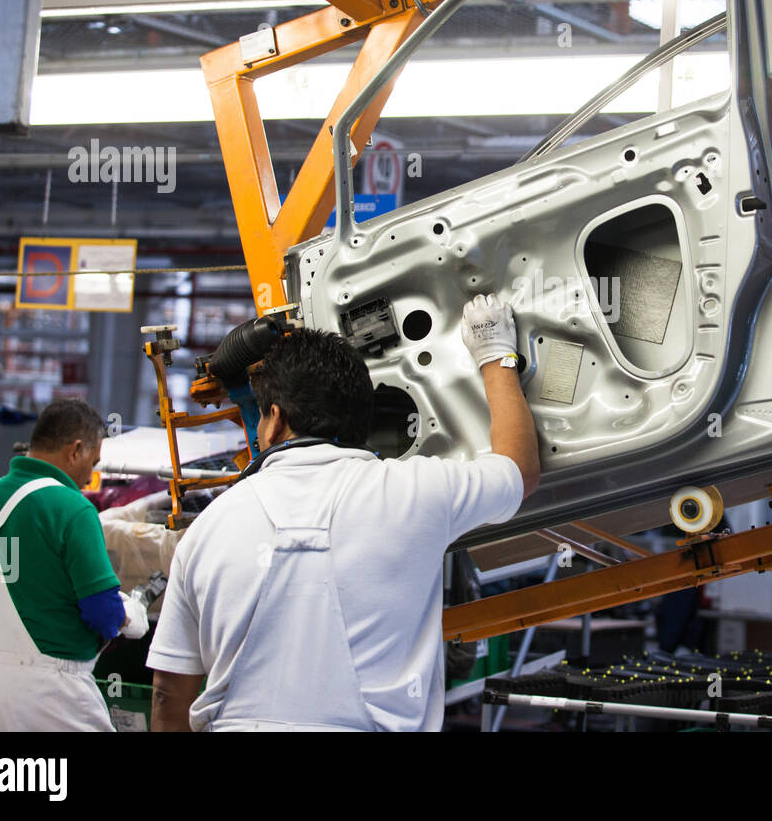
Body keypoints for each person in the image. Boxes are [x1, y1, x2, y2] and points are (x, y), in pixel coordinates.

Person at [148, 294, 539, 731]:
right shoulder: (414, 492)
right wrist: (494, 353)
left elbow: (169, 690)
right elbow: (518, 472)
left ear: (274, 420)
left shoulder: (209, 529)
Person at [0, 399, 148, 731]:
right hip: (45, 694)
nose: (91, 478)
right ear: (76, 450)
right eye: (94, 462)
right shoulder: (70, 507)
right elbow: (102, 612)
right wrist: (129, 615)